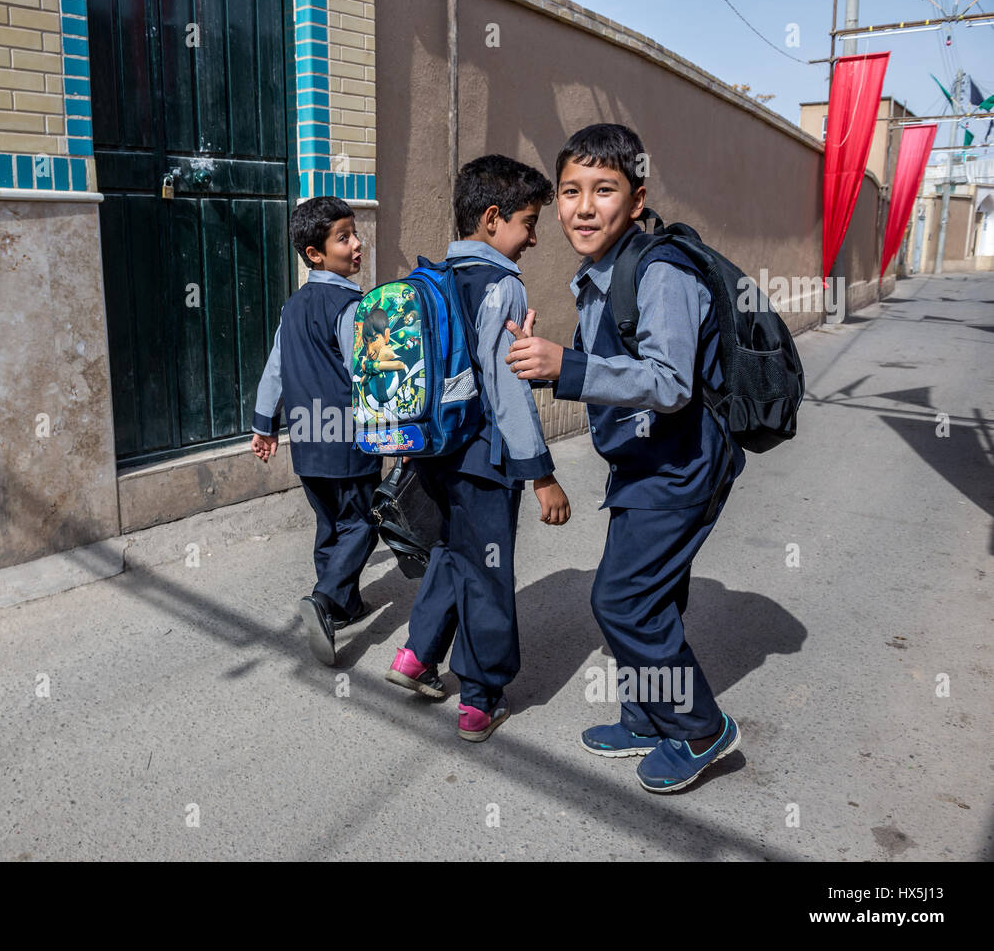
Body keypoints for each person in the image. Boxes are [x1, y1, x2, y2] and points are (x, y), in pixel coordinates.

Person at [505, 123, 744, 791]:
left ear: (635, 200)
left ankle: (700, 727)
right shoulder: (605, 271)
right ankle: (646, 715)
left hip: (681, 465)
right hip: (642, 464)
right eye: (570, 190)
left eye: (603, 189)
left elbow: (669, 382)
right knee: (650, 594)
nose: (583, 206)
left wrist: (568, 366)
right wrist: (556, 363)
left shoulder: (661, 271)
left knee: (622, 601)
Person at [384, 154, 571, 742]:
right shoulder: (504, 288)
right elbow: (505, 389)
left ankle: (416, 656)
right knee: (488, 571)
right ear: (493, 219)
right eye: (529, 223)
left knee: (451, 551)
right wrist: (541, 474)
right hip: (484, 460)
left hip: (433, 451)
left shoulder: (432, 279)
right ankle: (480, 698)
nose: (536, 238)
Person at [251, 196, 383, 667]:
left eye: (355, 233)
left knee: (330, 523)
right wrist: (397, 431)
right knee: (364, 521)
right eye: (344, 237)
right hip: (349, 438)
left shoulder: (292, 308)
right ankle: (324, 601)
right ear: (315, 253)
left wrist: (264, 426)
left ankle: (345, 605)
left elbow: (276, 370)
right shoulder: (356, 306)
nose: (357, 243)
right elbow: (366, 373)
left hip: (307, 438)